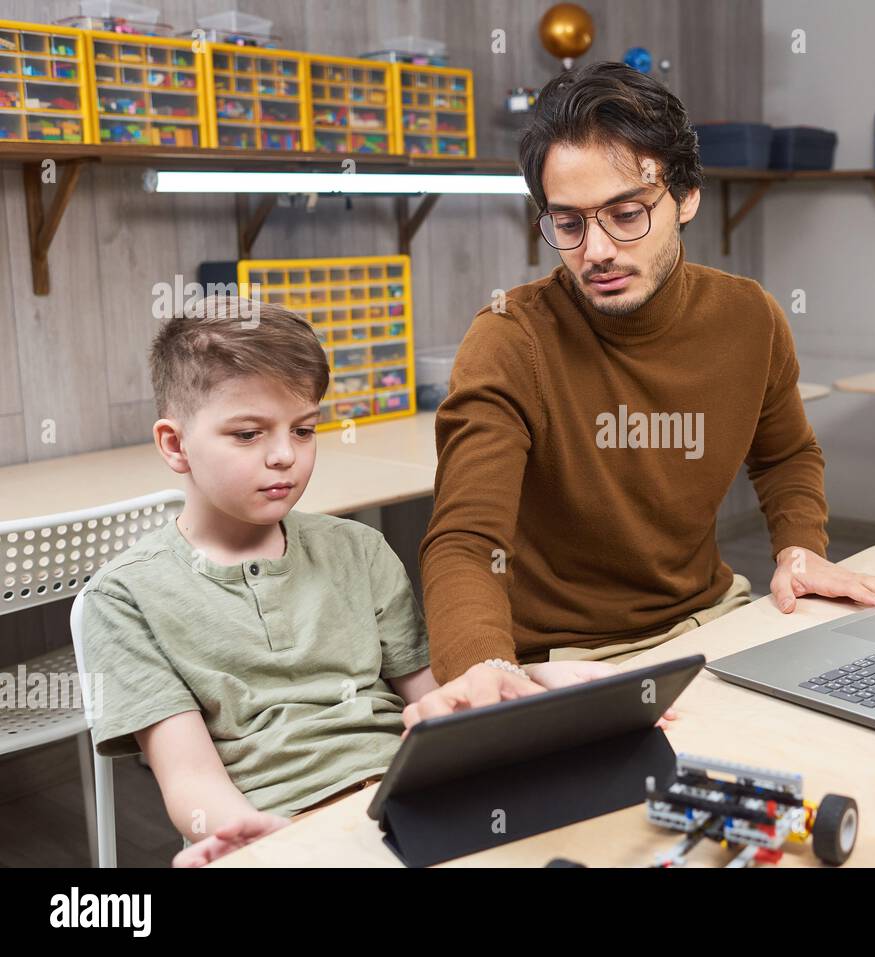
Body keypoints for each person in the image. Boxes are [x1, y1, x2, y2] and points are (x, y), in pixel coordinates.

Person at [408, 62, 875, 724]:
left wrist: (800, 548)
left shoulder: (749, 316)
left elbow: (785, 455)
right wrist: (486, 667)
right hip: (571, 655)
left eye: (626, 214)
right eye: (569, 223)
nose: (597, 251)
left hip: (712, 620)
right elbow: (464, 540)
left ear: (687, 196)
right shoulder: (509, 340)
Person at [80, 296, 608, 866]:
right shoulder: (121, 600)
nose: (285, 456)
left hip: (406, 799)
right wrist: (254, 836)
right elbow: (189, 779)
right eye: (248, 434)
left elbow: (429, 697)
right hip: (276, 830)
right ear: (175, 444)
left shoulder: (358, 549)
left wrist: (519, 681)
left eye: (303, 430)